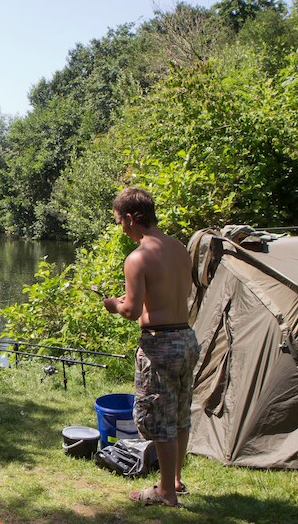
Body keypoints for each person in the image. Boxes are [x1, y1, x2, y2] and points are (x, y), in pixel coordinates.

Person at [101, 187, 198, 508]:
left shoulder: (138, 257)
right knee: (180, 414)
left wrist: (114, 304)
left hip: (159, 345)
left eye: (120, 222)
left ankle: (166, 492)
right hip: (186, 338)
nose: (121, 229)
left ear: (131, 218)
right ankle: (175, 480)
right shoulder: (179, 247)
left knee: (158, 417)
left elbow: (131, 311)